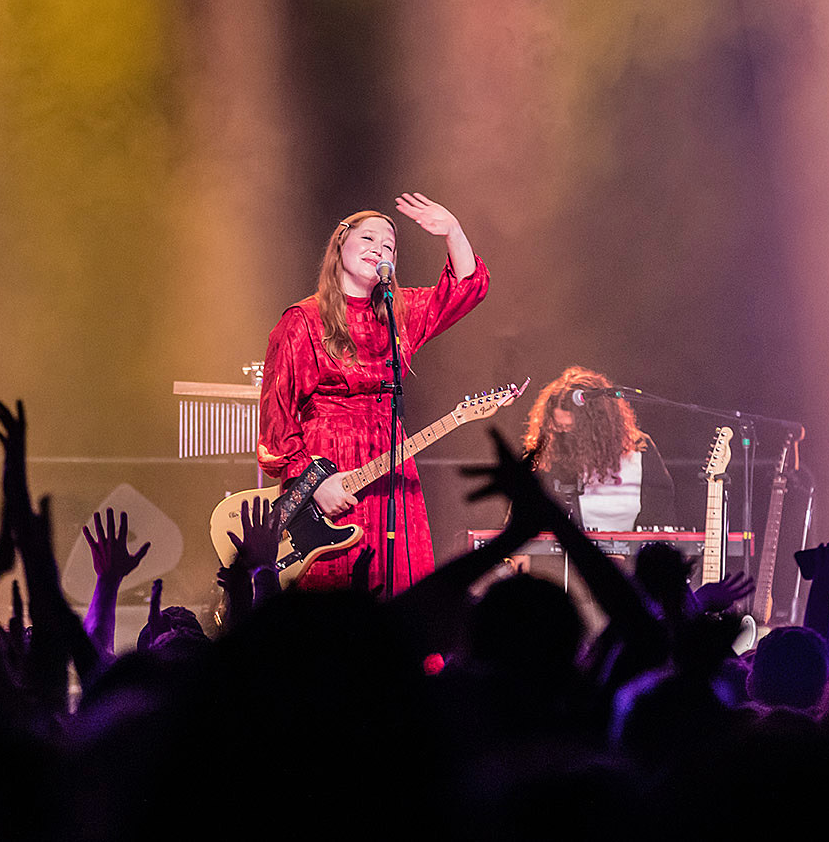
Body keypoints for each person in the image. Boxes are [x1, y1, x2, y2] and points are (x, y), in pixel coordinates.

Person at [257, 193, 488, 594]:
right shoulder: (302, 320)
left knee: (397, 584)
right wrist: (312, 483)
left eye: (388, 246)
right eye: (367, 239)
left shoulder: (399, 314)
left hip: (389, 458)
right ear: (339, 246)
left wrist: (453, 230)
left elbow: (464, 290)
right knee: (333, 588)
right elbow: (277, 417)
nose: (379, 250)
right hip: (325, 463)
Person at [521, 366, 677, 532]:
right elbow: (524, 505)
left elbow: (661, 510)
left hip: (630, 553)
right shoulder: (550, 452)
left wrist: (626, 549)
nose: (563, 432)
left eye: (571, 428)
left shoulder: (639, 449)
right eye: (558, 426)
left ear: (595, 425)